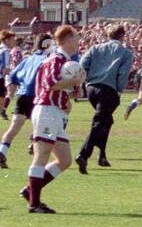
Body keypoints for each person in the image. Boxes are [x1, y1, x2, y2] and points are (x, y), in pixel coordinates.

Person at [22, 26, 84, 214]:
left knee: (64, 160)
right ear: (65, 40)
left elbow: (59, 88)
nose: (78, 41)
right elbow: (51, 85)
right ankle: (34, 203)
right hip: (47, 111)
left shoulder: (65, 61)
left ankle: (31, 190)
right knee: (41, 155)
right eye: (75, 38)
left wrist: (72, 93)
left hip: (55, 112)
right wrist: (74, 81)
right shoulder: (56, 59)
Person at [75, 23, 133, 171]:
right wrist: (118, 90)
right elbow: (122, 74)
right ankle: (84, 154)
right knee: (99, 122)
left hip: (92, 89)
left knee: (107, 120)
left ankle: (102, 155)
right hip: (109, 90)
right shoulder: (125, 53)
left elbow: (82, 64)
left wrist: (85, 81)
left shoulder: (95, 48)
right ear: (122, 36)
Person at [0, 35, 52, 169]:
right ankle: (33, 145)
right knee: (43, 124)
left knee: (14, 128)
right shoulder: (49, 59)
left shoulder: (29, 59)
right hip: (38, 97)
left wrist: (19, 84)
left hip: (23, 96)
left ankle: (2, 151)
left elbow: (12, 76)